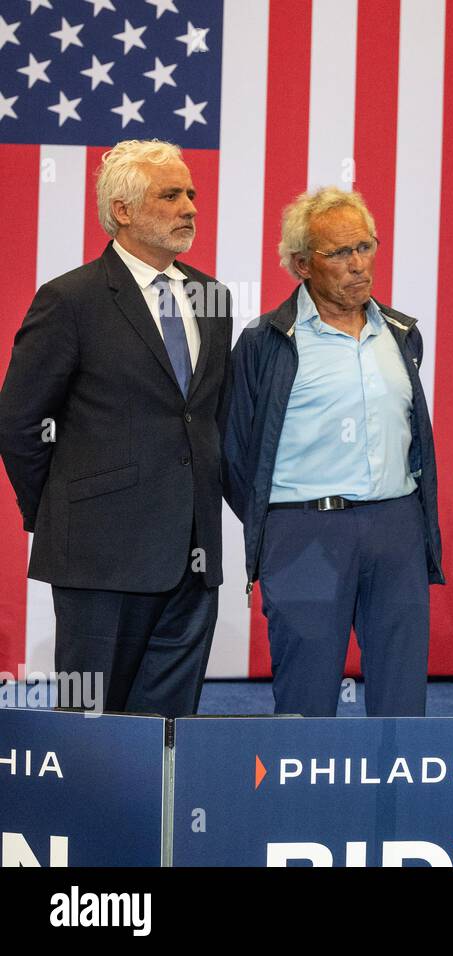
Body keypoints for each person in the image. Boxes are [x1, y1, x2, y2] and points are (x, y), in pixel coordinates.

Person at [0, 139, 231, 717]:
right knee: (90, 729)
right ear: (122, 211)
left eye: (192, 194)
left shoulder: (213, 299)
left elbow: (207, 420)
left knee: (170, 732)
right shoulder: (69, 299)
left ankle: (162, 814)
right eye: (171, 194)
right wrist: (60, 512)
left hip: (192, 557)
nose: (190, 207)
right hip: (97, 559)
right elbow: (20, 422)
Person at [223, 187, 443, 717]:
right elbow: (233, 455)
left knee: (402, 700)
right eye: (339, 253)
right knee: (306, 700)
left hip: (397, 528)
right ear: (301, 264)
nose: (358, 265)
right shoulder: (265, 341)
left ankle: (398, 800)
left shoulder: (400, 333)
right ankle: (300, 803)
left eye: (365, 247)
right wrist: (280, 525)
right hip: (304, 533)